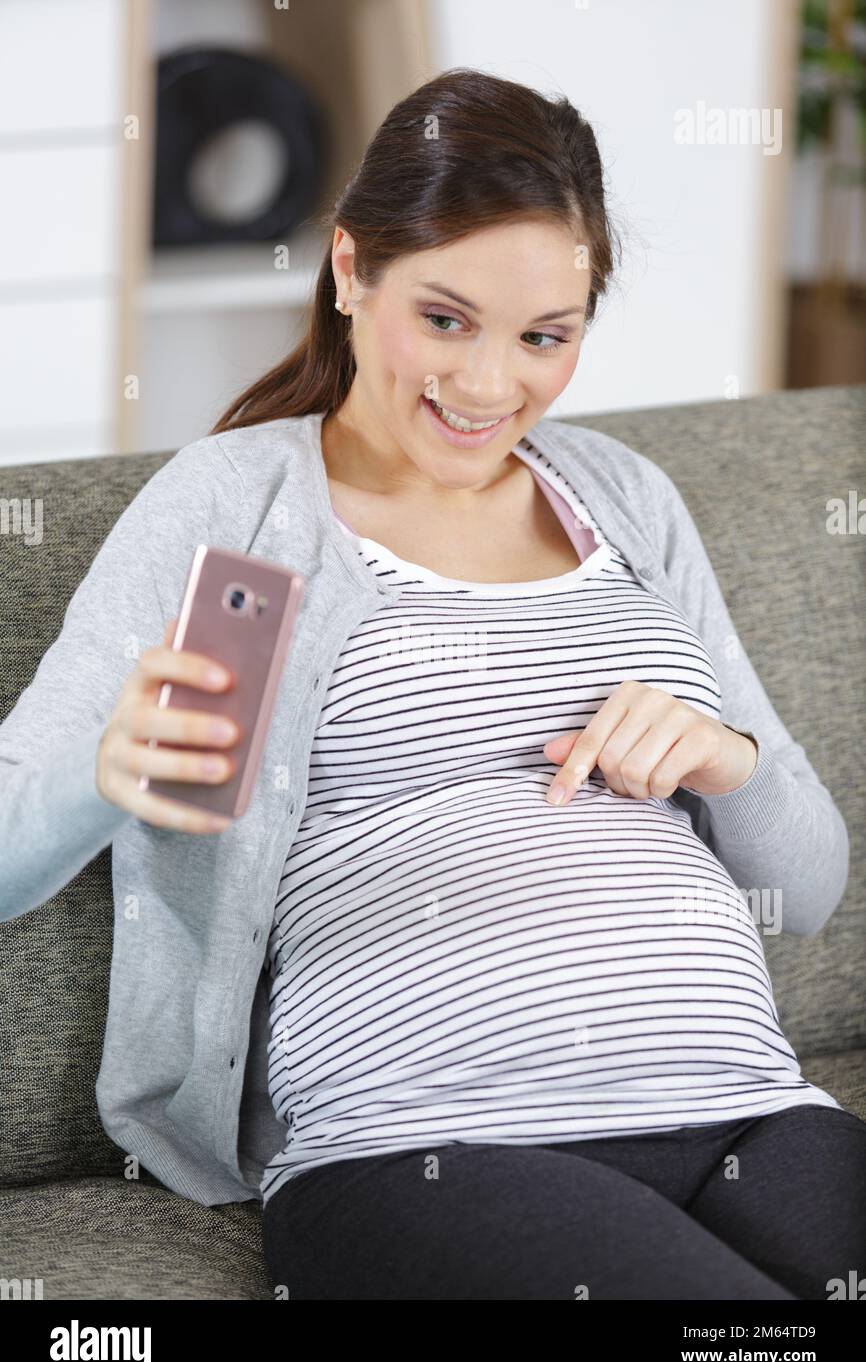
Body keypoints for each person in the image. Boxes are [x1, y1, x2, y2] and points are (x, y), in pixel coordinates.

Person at [2, 69, 863, 1300]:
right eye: (444, 319)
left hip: (751, 1112)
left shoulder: (623, 499)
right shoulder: (237, 509)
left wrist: (725, 756)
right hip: (428, 1145)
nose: (486, 388)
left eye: (542, 337)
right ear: (350, 271)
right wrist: (103, 776)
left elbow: (810, 886)